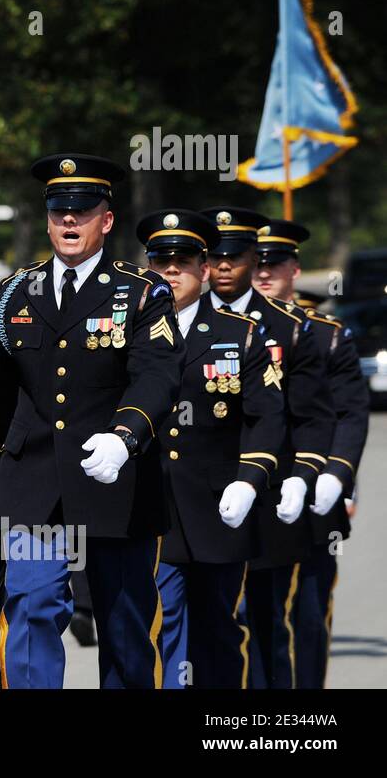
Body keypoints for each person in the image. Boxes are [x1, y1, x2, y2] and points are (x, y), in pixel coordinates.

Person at [0, 154, 183, 689]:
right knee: (31, 606)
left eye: (83, 212)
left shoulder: (142, 292)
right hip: (36, 480)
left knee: (125, 626)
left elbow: (158, 376)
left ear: (106, 220)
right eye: (59, 211)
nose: (70, 222)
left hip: (116, 479)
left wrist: (126, 435)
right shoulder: (15, 293)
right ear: (47, 219)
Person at [137, 209, 284, 689]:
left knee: (218, 631)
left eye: (184, 260)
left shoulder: (237, 334)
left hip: (218, 510)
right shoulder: (125, 334)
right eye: (162, 260)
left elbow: (267, 415)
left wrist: (250, 480)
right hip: (148, 509)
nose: (172, 270)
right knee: (160, 624)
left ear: (204, 267)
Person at [199, 207, 334, 689]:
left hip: (271, 498)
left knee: (267, 621)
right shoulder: (185, 321)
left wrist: (304, 476)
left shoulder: (292, 327)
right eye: (215, 257)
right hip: (205, 496)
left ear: (253, 259)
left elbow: (313, 416)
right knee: (208, 624)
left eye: (235, 257)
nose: (224, 266)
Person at [253, 219, 369, 688]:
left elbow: (348, 415)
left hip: (313, 500)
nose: (263, 274)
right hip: (250, 497)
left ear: (294, 268)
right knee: (251, 617)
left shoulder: (325, 334)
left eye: (274, 264)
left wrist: (339, 478)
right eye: (254, 263)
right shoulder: (221, 329)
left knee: (307, 613)